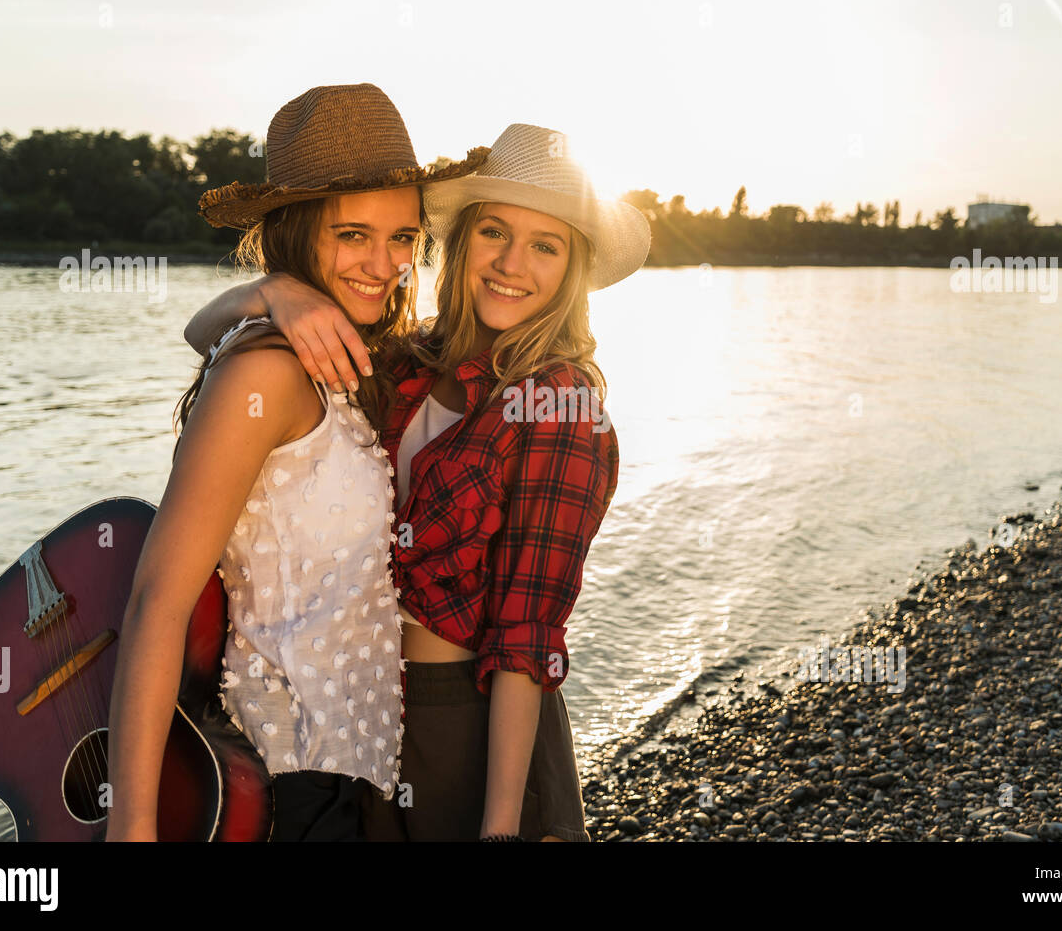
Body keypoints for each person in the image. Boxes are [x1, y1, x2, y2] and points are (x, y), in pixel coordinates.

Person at [184, 123, 651, 840]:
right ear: (463, 241)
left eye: (545, 245)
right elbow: (202, 335)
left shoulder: (561, 408)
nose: (512, 263)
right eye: (495, 231)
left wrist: (498, 824)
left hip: (470, 719)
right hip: (366, 709)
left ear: (571, 272)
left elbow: (526, 639)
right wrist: (271, 293)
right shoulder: (408, 360)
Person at [104, 83, 486, 841]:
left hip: (348, 775)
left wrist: (267, 292)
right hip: (288, 779)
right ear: (297, 229)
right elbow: (156, 601)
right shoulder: (266, 373)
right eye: (354, 235)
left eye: (404, 237)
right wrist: (132, 829)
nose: (385, 264)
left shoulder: (329, 356)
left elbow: (195, 328)